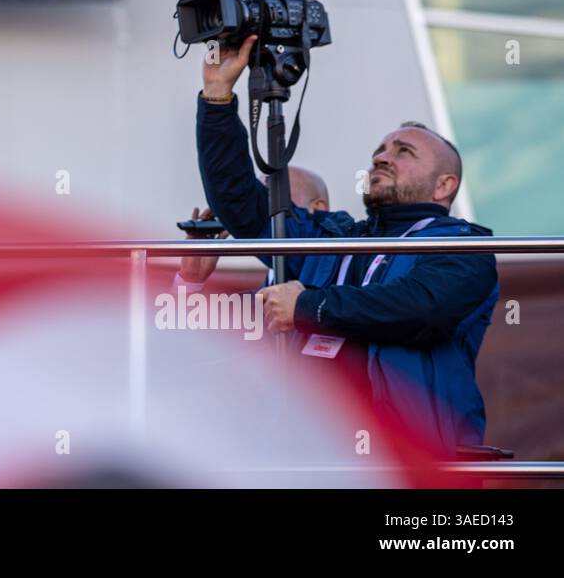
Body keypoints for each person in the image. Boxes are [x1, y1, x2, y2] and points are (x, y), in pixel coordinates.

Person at [195, 35, 497, 450]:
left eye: (404, 151)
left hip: (407, 464)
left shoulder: (465, 251)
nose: (382, 157)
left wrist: (307, 306)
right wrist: (217, 96)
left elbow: (420, 308)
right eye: (380, 149)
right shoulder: (335, 238)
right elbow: (239, 204)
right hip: (313, 458)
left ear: (445, 185)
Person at [178, 166, 329, 287]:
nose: (257, 214)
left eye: (268, 199)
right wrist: (191, 280)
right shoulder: (247, 310)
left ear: (317, 209)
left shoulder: (344, 288)